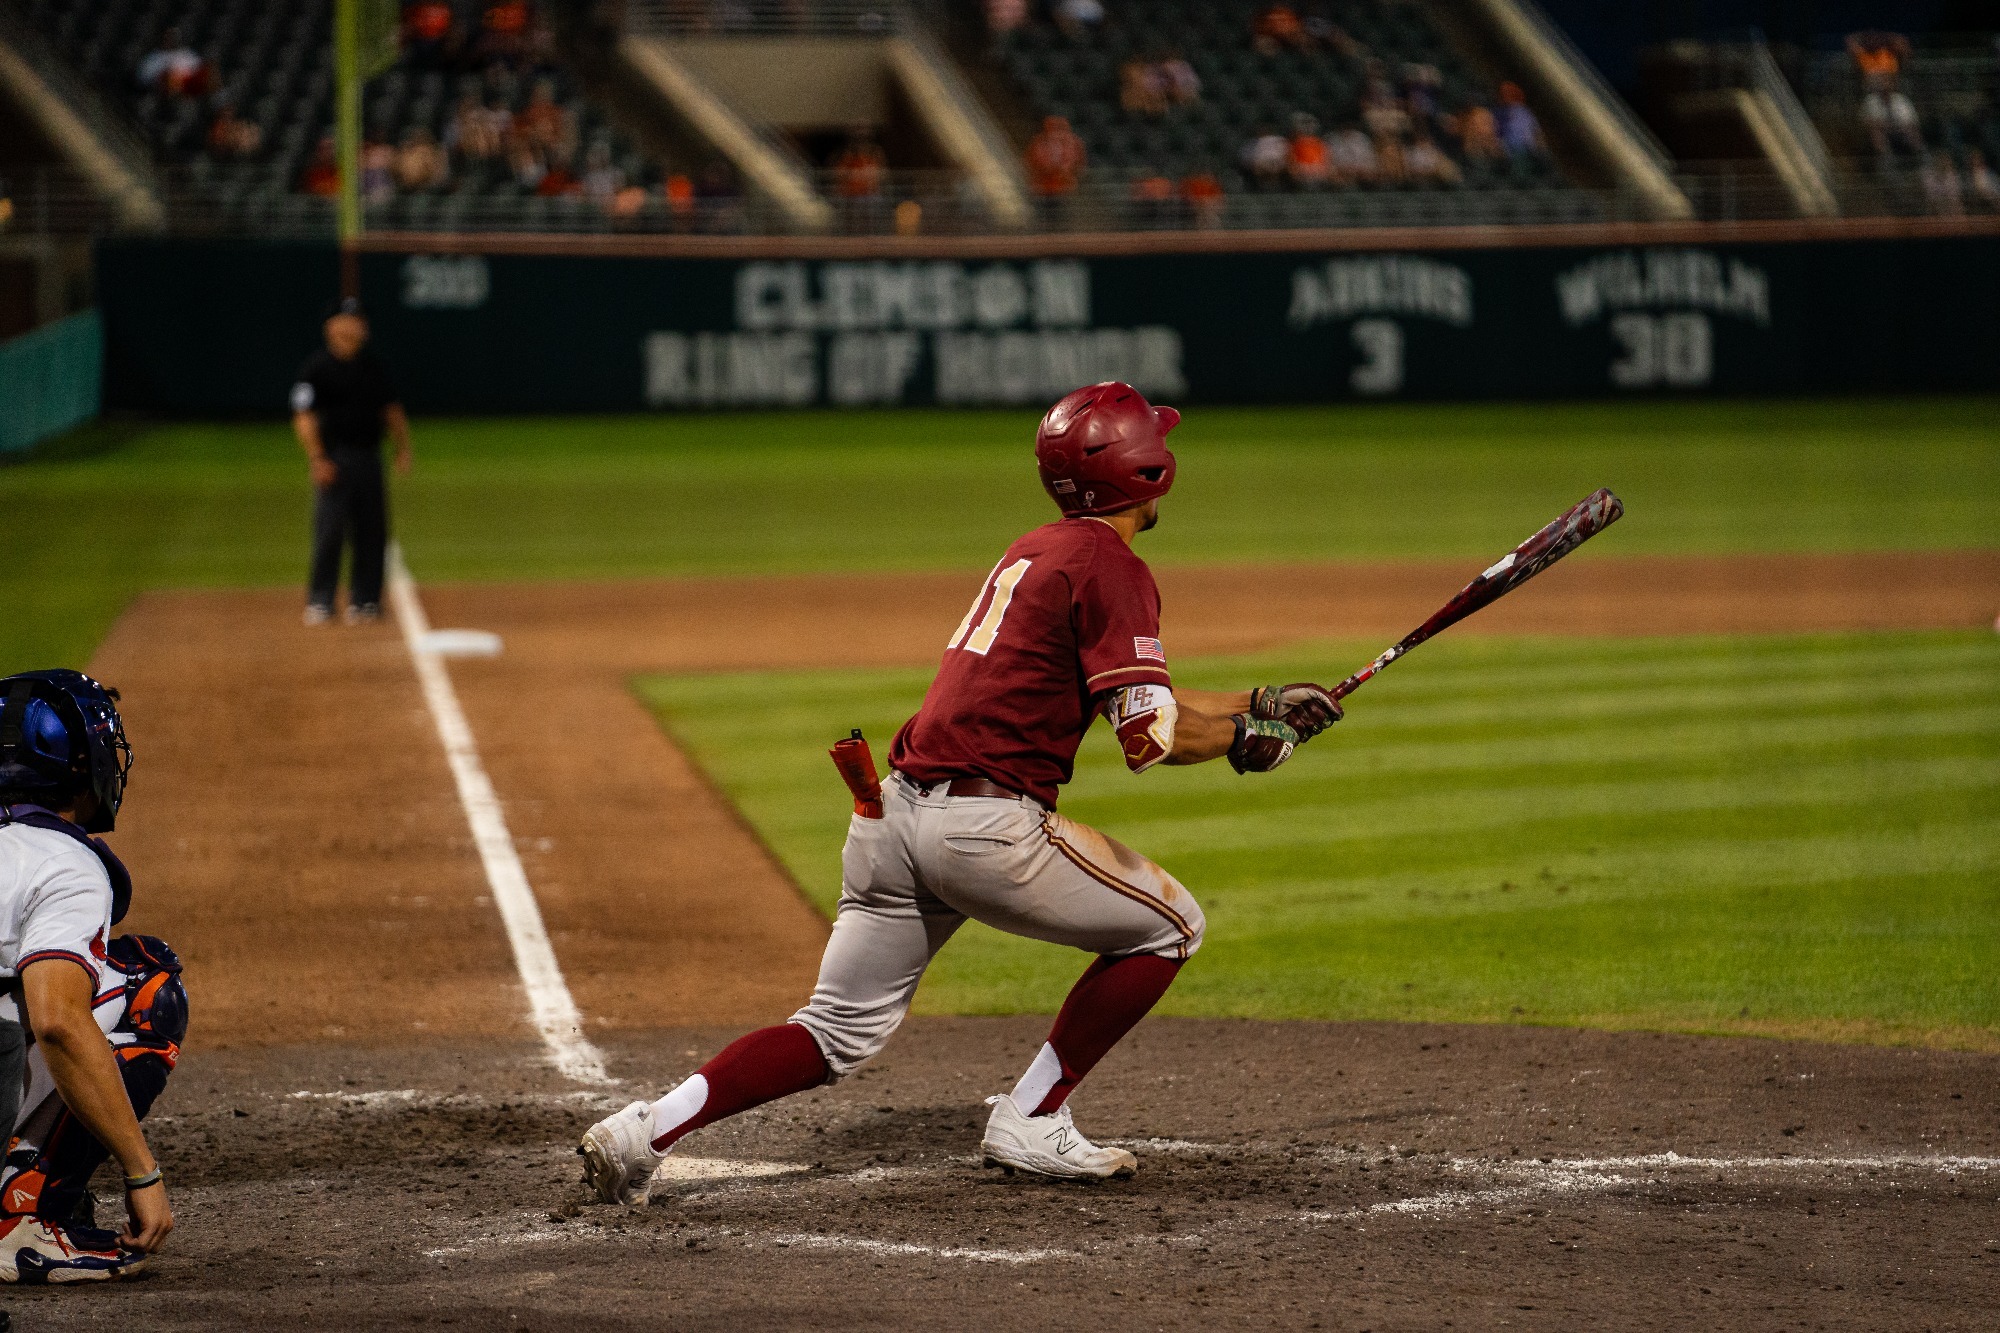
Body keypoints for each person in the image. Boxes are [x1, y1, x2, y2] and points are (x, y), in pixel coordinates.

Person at [577, 383, 1342, 1201]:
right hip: (983, 831)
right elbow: (1148, 737)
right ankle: (1033, 1116)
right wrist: (1240, 741)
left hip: (890, 816)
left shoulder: (1040, 548)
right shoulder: (1115, 566)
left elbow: (1129, 693)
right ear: (1148, 467)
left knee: (830, 1031)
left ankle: (644, 1130)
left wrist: (1254, 703)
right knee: (1172, 925)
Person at [0, 670, 177, 1282]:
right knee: (145, 988)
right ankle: (19, 1218)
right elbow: (57, 1022)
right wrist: (142, 1172)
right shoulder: (63, 864)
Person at [290, 299, 412, 625]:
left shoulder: (374, 367)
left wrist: (403, 447)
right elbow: (303, 417)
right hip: (335, 457)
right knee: (329, 531)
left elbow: (392, 411)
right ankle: (320, 601)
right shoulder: (316, 368)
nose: (353, 326)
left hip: (370, 458)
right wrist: (317, 457)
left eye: (357, 320)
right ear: (330, 327)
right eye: (346, 320)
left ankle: (366, 600)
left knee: (372, 531)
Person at [136, 27, 205, 98]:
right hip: (158, 96)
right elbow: (143, 79)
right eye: (168, 36)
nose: (171, 39)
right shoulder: (153, 57)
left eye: (174, 36)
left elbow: (200, 78)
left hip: (186, 96)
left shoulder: (189, 56)